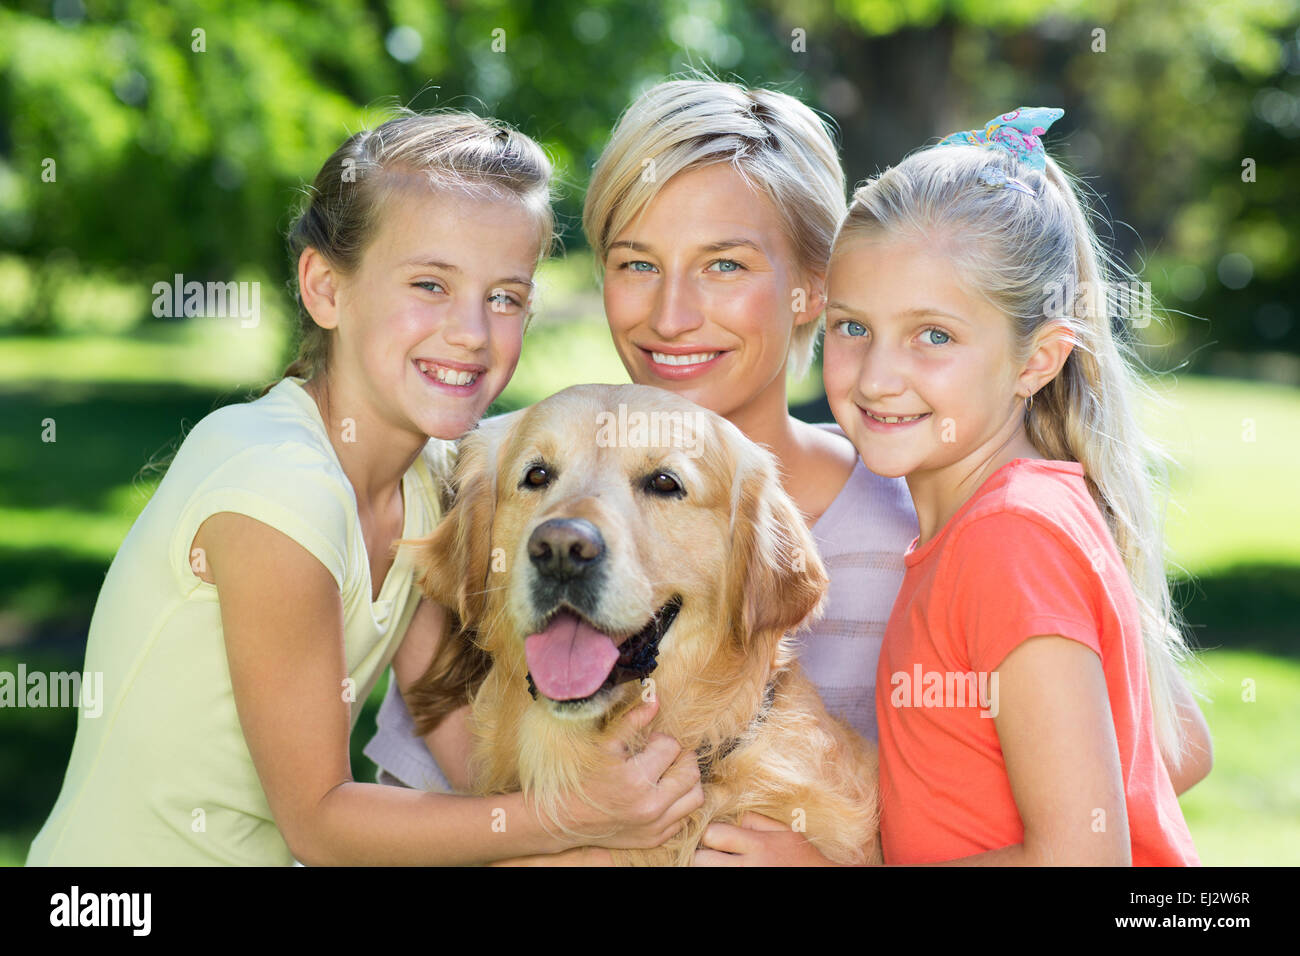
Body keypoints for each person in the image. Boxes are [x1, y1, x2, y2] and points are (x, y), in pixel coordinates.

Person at [26, 110, 702, 866]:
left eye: (504, 297)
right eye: (429, 284)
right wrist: (573, 816)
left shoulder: (422, 487)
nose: (472, 332)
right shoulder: (278, 484)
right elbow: (321, 824)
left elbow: (456, 731)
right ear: (325, 288)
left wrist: (645, 811)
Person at [365, 78, 919, 804]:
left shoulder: (913, 534)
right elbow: (410, 811)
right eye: (637, 264)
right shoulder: (507, 491)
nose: (672, 315)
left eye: (725, 264)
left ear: (815, 287)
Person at [813, 107, 1203, 865]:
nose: (878, 375)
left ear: (1037, 360)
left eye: (935, 336)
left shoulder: (1008, 539)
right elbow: (1177, 753)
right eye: (852, 327)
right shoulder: (1008, 520)